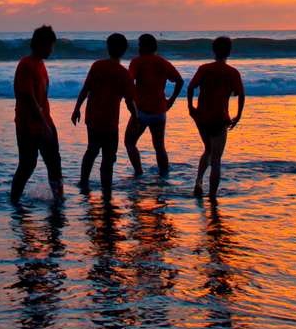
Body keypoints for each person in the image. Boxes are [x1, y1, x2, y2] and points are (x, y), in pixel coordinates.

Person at [70, 32, 139, 194]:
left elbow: (85, 89)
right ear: (124, 50)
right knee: (108, 157)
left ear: (107, 48)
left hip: (93, 118)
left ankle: (83, 182)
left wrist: (76, 108)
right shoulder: (124, 74)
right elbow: (130, 101)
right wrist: (136, 117)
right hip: (110, 122)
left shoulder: (97, 66)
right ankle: (106, 189)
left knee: (91, 150)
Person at [10, 24, 64, 204]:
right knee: (27, 165)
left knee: (54, 162)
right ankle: (14, 200)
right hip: (28, 124)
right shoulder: (26, 65)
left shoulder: (40, 64)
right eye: (49, 46)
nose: (51, 50)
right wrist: (44, 124)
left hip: (44, 120)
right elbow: (28, 97)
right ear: (40, 44)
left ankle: (58, 199)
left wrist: (47, 123)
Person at [187, 35, 245, 199]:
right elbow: (241, 95)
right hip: (220, 117)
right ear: (229, 52)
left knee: (208, 150)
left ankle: (198, 181)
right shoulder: (232, 72)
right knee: (217, 159)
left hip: (202, 116)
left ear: (213, 50)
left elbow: (191, 88)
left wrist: (190, 107)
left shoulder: (204, 68)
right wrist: (239, 115)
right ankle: (212, 196)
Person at [125, 32, 183, 176]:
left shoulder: (137, 62)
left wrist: (130, 103)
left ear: (143, 47)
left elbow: (129, 82)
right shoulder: (162, 62)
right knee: (159, 147)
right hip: (159, 111)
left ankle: (138, 172)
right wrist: (171, 100)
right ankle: (164, 175)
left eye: (139, 45)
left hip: (142, 111)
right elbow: (179, 81)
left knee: (130, 143)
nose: (138, 48)